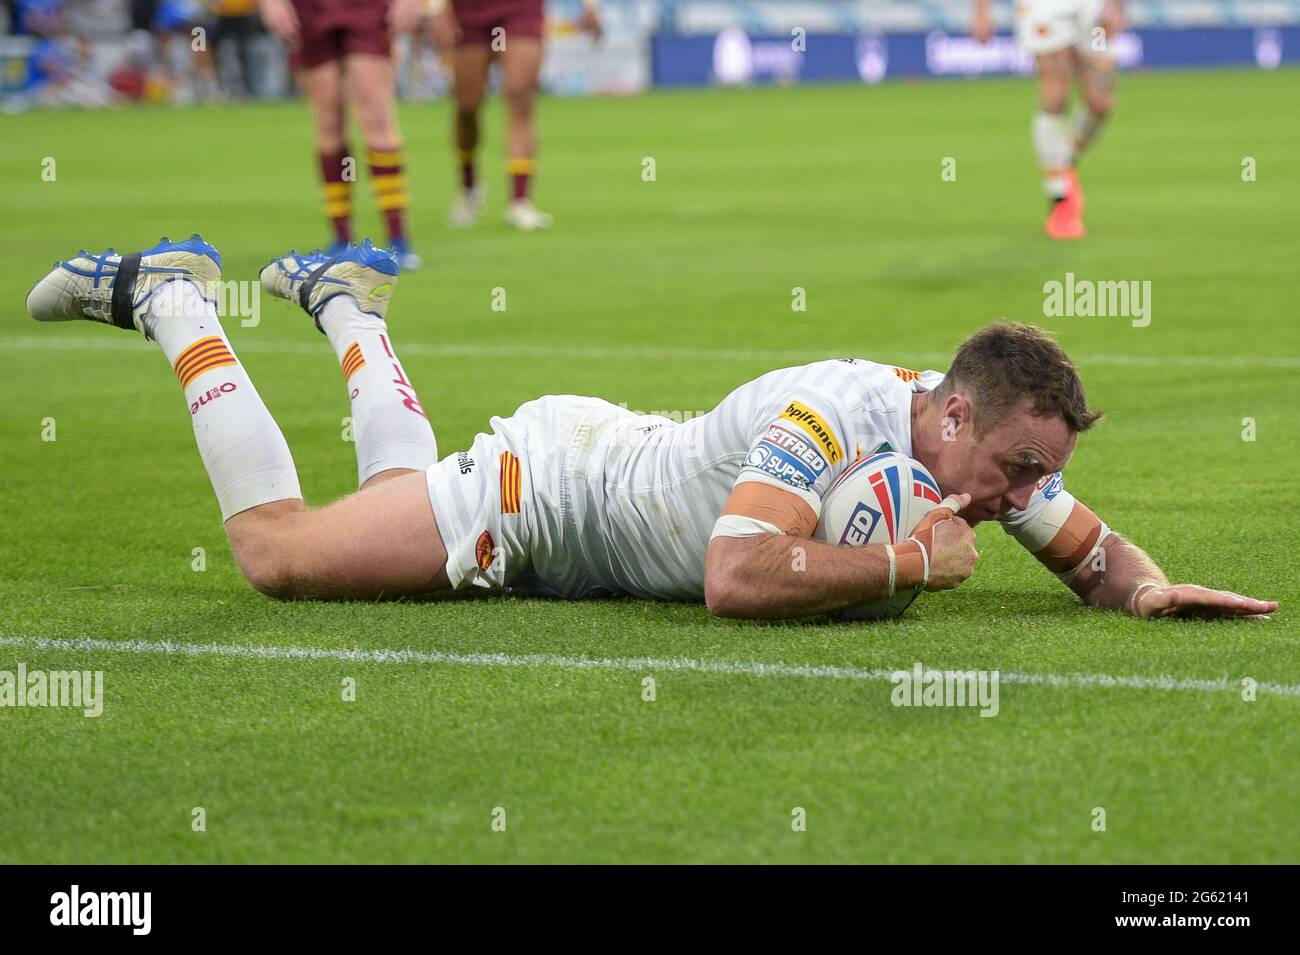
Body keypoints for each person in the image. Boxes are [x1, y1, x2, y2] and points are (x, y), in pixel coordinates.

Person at [24, 235, 1277, 621]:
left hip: (604, 456)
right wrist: (902, 564)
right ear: (955, 414)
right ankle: (174, 299)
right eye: (1017, 471)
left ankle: (350, 309)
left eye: (1037, 477)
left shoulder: (981, 452)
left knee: (378, 511)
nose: (1023, 498)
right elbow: (736, 578)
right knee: (284, 557)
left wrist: (1149, 590)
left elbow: (1096, 555)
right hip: (551, 494)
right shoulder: (832, 414)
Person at [258, 0, 424, 267]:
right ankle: (341, 238)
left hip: (368, 9)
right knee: (328, 119)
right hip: (312, 10)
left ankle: (397, 237)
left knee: (376, 115)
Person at [430, 0, 602, 230]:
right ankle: (469, 186)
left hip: (521, 9)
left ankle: (520, 201)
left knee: (520, 98)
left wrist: (590, 6)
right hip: (469, 11)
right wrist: (436, 8)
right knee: (467, 107)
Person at [971, 0, 1122, 239]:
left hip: (1091, 7)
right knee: (1056, 91)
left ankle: (1065, 159)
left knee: (1101, 102)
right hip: (1043, 7)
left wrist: (1117, 6)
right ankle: (1060, 199)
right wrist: (981, 11)